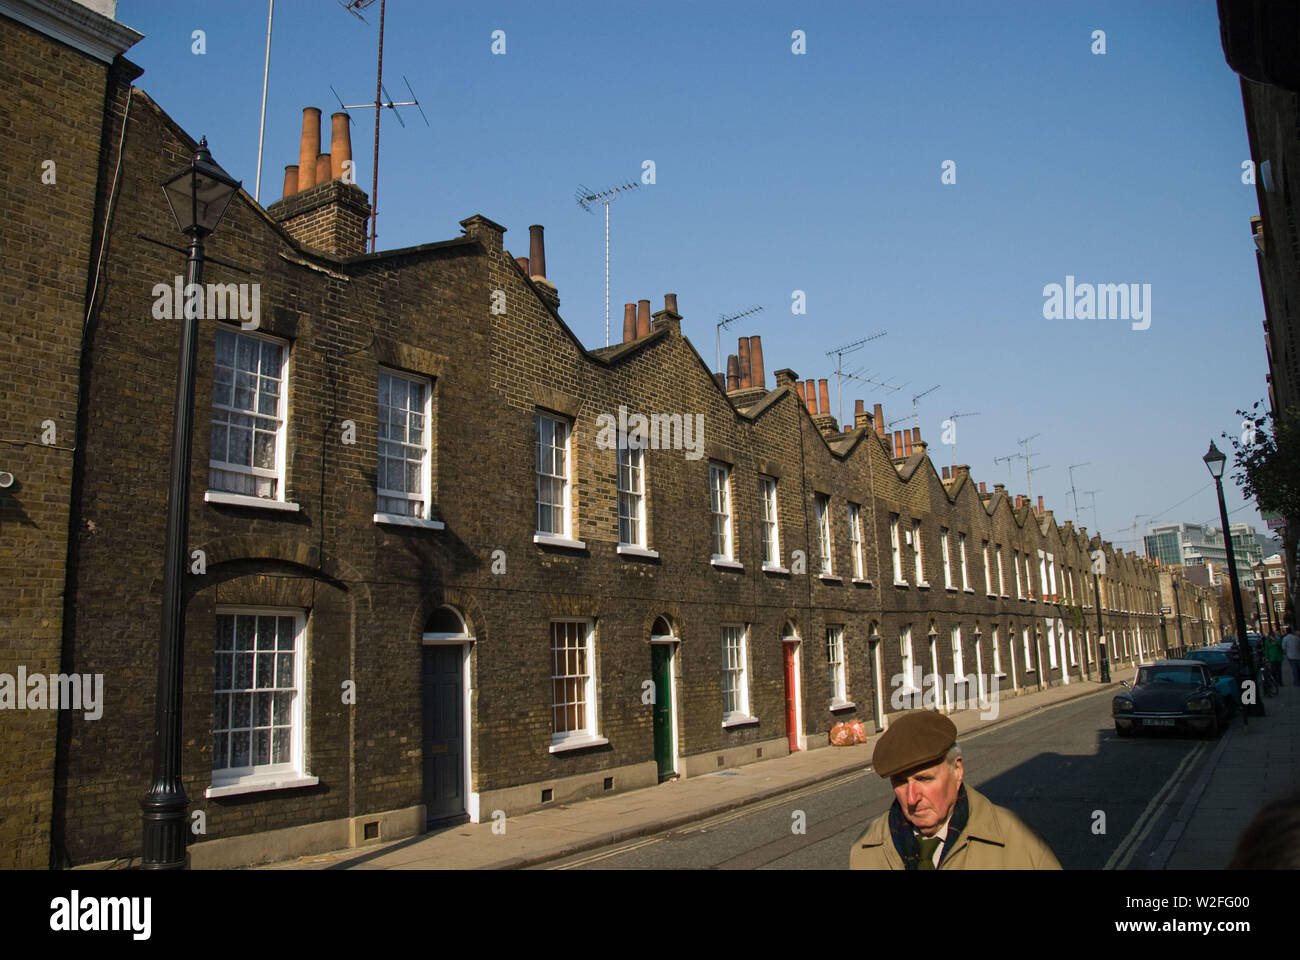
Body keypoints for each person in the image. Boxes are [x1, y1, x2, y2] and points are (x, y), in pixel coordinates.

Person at [849, 711, 1061, 869]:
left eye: (925, 779)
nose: (912, 798)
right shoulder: (866, 852)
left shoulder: (1020, 843)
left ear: (957, 770)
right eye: (901, 783)